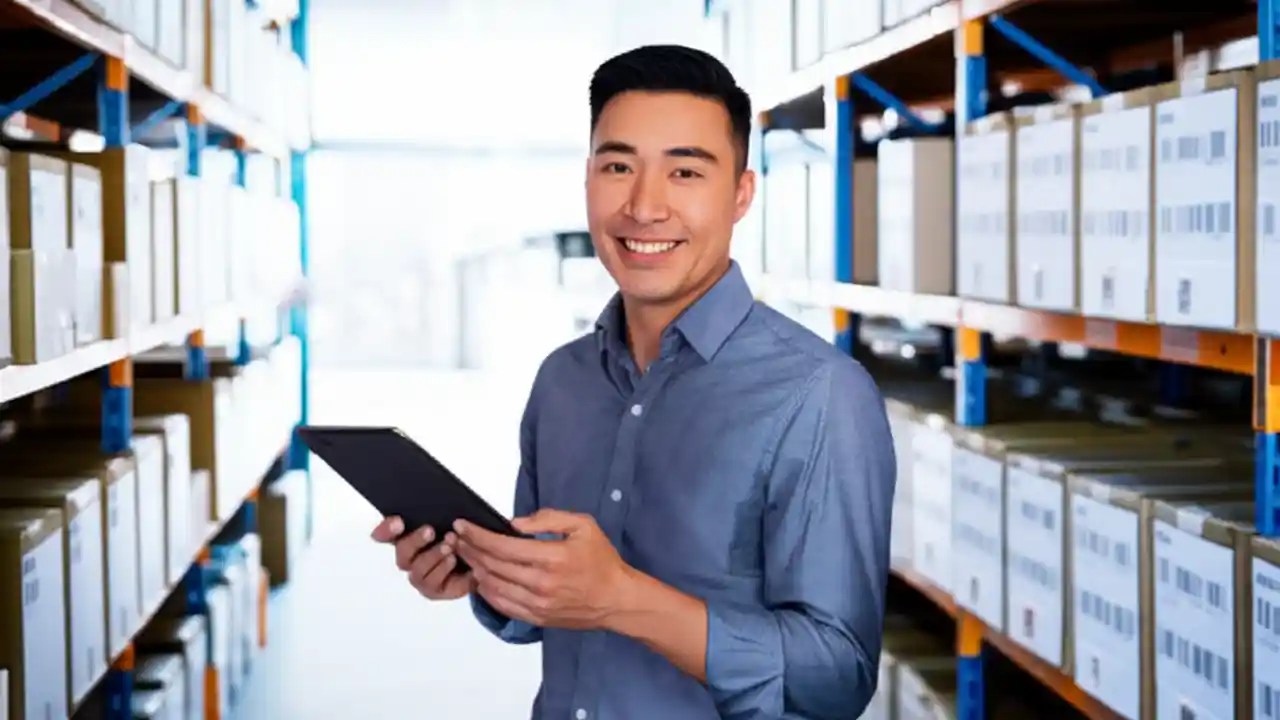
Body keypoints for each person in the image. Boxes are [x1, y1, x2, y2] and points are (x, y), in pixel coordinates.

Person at [371, 44, 897, 720]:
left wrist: (624, 598)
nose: (644, 207)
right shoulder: (562, 381)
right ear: (587, 178)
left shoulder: (819, 395)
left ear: (741, 194)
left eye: (685, 171)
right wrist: (485, 576)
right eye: (618, 166)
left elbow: (837, 676)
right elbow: (540, 618)